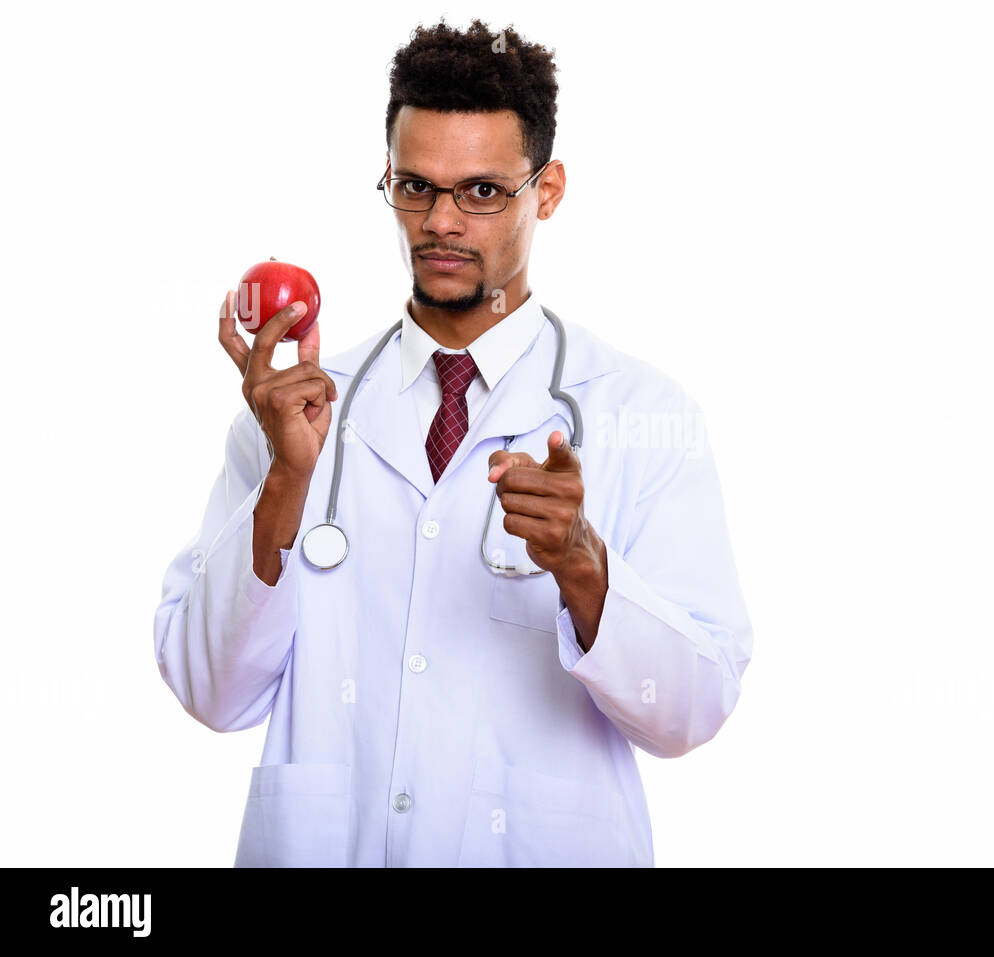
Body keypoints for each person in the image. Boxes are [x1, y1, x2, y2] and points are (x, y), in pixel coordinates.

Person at [153, 18, 753, 867]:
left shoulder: (638, 412)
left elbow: (693, 710)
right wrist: (287, 482)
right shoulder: (297, 417)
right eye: (414, 185)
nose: (439, 222)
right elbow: (211, 694)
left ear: (546, 192)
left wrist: (583, 566)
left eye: (481, 192)